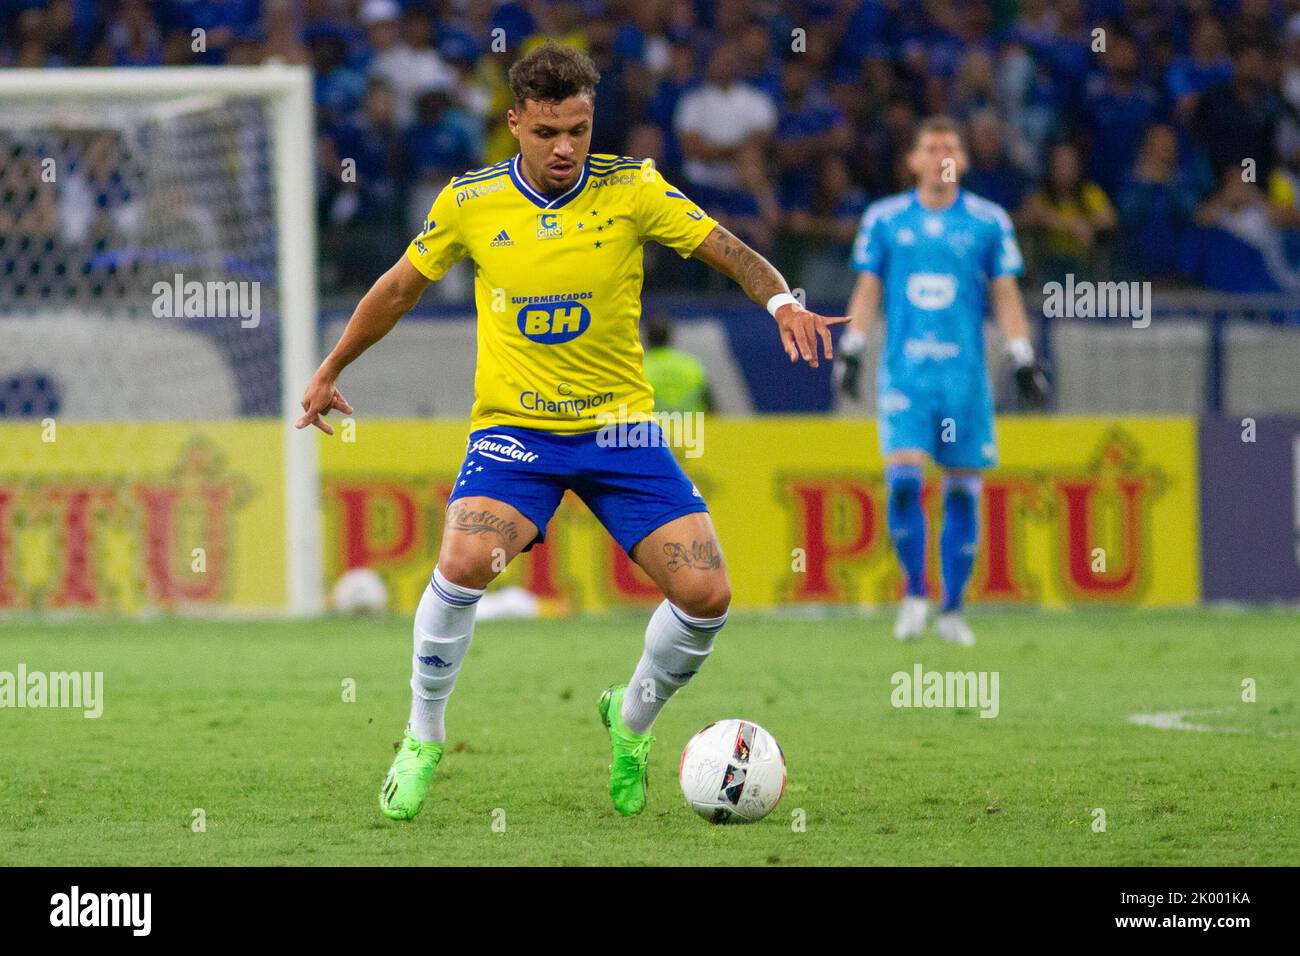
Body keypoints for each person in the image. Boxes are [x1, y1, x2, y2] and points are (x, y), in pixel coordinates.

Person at [296, 42, 843, 821]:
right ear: (514, 123)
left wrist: (782, 302)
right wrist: (329, 370)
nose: (564, 149)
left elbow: (729, 251)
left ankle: (631, 723)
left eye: (578, 130)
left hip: (620, 432)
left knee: (706, 594)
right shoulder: (470, 201)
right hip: (516, 433)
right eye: (546, 131)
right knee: (461, 561)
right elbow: (397, 289)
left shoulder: (634, 189)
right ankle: (422, 736)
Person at [834, 116, 1048, 646]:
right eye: (930, 147)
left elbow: (1005, 294)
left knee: (962, 496)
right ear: (912, 161)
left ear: (964, 160)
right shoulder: (885, 219)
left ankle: (952, 608)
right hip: (906, 376)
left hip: (964, 381)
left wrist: (1022, 355)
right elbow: (867, 288)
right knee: (905, 484)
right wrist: (853, 349)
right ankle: (914, 592)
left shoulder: (988, 221)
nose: (940, 155)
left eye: (950, 147)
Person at [641, 314, 714, 413]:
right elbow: (710, 404)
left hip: (655, 426)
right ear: (670, 336)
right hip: (695, 426)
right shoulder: (691, 364)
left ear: (646, 338)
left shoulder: (639, 367)